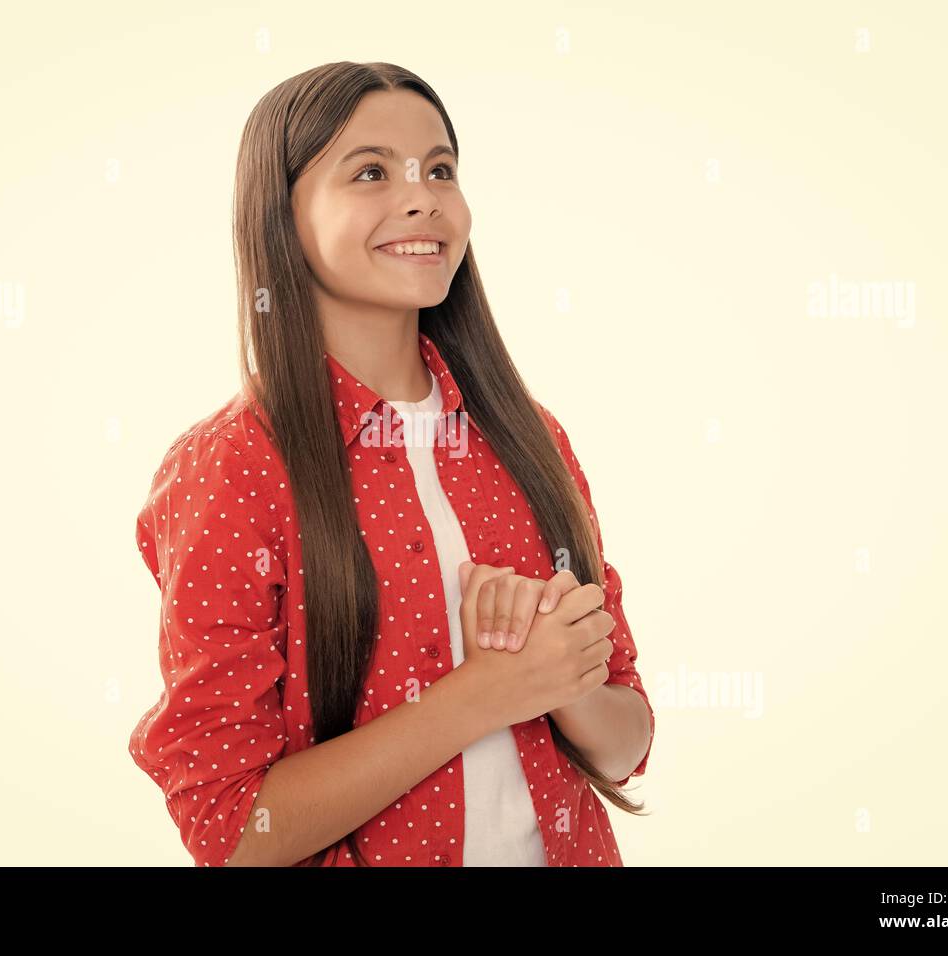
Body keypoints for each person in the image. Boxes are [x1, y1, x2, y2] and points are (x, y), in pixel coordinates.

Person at [128, 61, 654, 867]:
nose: (423, 197)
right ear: (282, 215)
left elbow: (625, 748)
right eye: (371, 171)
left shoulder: (530, 438)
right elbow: (234, 831)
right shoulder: (231, 468)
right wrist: (486, 695)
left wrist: (565, 677)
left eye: (440, 169)